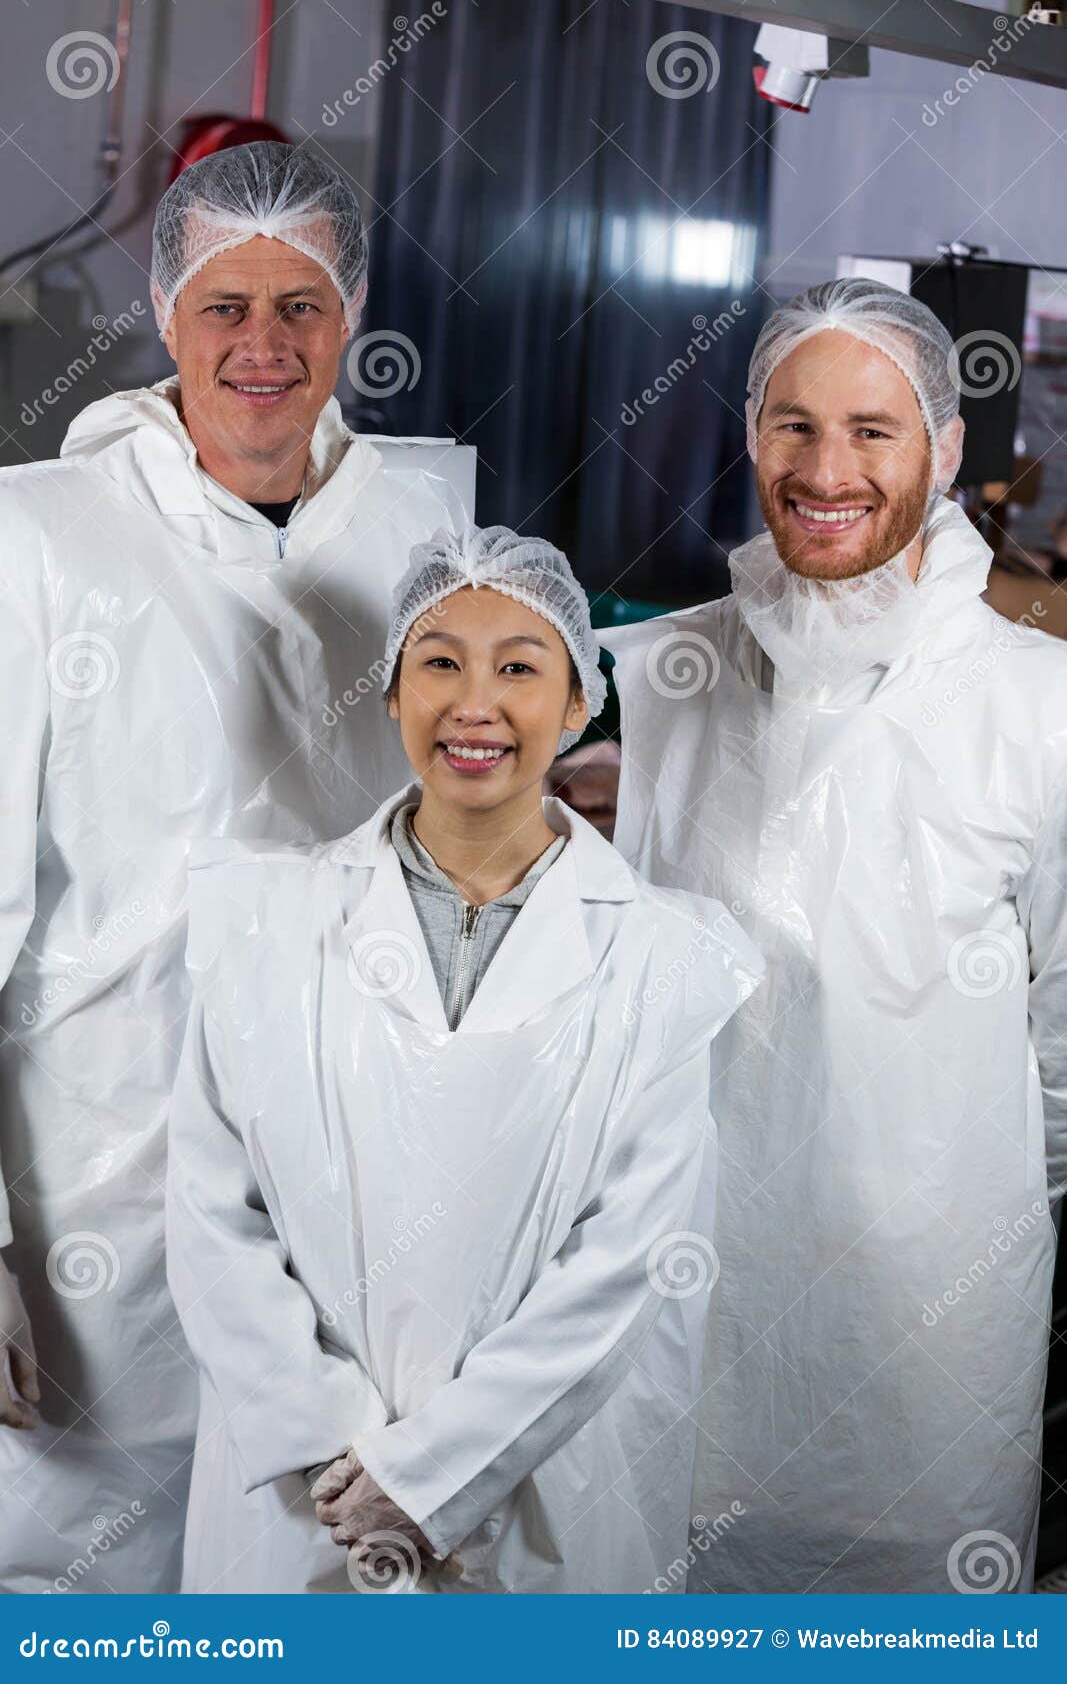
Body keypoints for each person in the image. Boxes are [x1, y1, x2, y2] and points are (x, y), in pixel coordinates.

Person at [0, 142, 469, 1593]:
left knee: (306, 1587)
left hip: (351, 1200)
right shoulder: (36, 536)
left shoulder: (418, 526)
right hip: (98, 1197)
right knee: (75, 1581)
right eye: (222, 307)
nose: (261, 346)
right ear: (164, 315)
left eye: (299, 306)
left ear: (352, 315)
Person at [166, 524, 763, 1594]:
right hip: (307, 1504)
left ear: (579, 703)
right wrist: (334, 1446)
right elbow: (213, 1216)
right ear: (391, 693)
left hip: (542, 1509)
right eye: (439, 661)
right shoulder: (260, 921)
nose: (474, 703)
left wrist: (431, 1473)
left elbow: (627, 1261)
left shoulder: (665, 959)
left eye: (520, 667)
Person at [601, 278, 1067, 1595]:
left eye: (871, 431)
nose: (823, 469)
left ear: (943, 448)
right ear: (748, 437)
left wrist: (957, 1199)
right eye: (790, 425)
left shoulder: (1035, 708)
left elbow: (1060, 1055)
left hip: (925, 1326)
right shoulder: (670, 679)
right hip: (687, 1308)